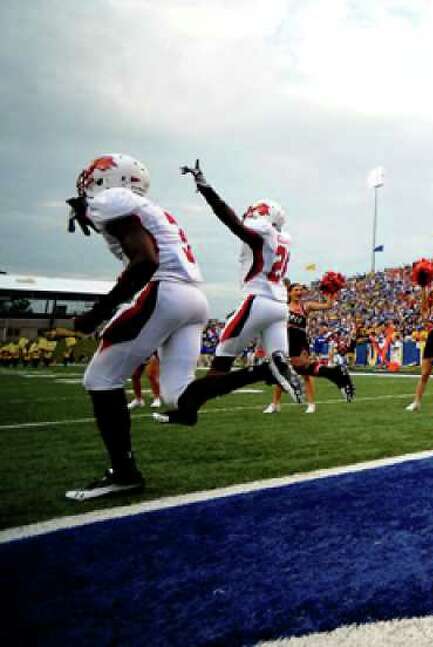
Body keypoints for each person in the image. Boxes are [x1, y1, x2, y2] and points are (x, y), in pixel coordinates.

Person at [66, 154, 281, 499]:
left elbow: (145, 261)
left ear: (110, 179)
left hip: (164, 291)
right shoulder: (150, 210)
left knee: (100, 379)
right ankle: (262, 371)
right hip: (194, 299)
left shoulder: (113, 201)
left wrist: (98, 312)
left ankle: (124, 473)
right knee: (178, 396)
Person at [168, 160, 307, 416]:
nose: (252, 215)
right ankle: (275, 370)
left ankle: (188, 410)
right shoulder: (284, 240)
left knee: (221, 362)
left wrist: (206, 189)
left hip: (258, 300)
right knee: (279, 362)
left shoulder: (263, 233)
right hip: (279, 307)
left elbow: (230, 221)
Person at [265, 283, 354, 414]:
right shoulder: (283, 307)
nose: (299, 292)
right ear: (289, 293)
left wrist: (330, 293)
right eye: (296, 290)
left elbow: (328, 305)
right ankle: (275, 404)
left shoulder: (306, 306)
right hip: (285, 341)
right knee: (282, 372)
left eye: (301, 290)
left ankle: (311, 404)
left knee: (306, 374)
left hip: (300, 342)